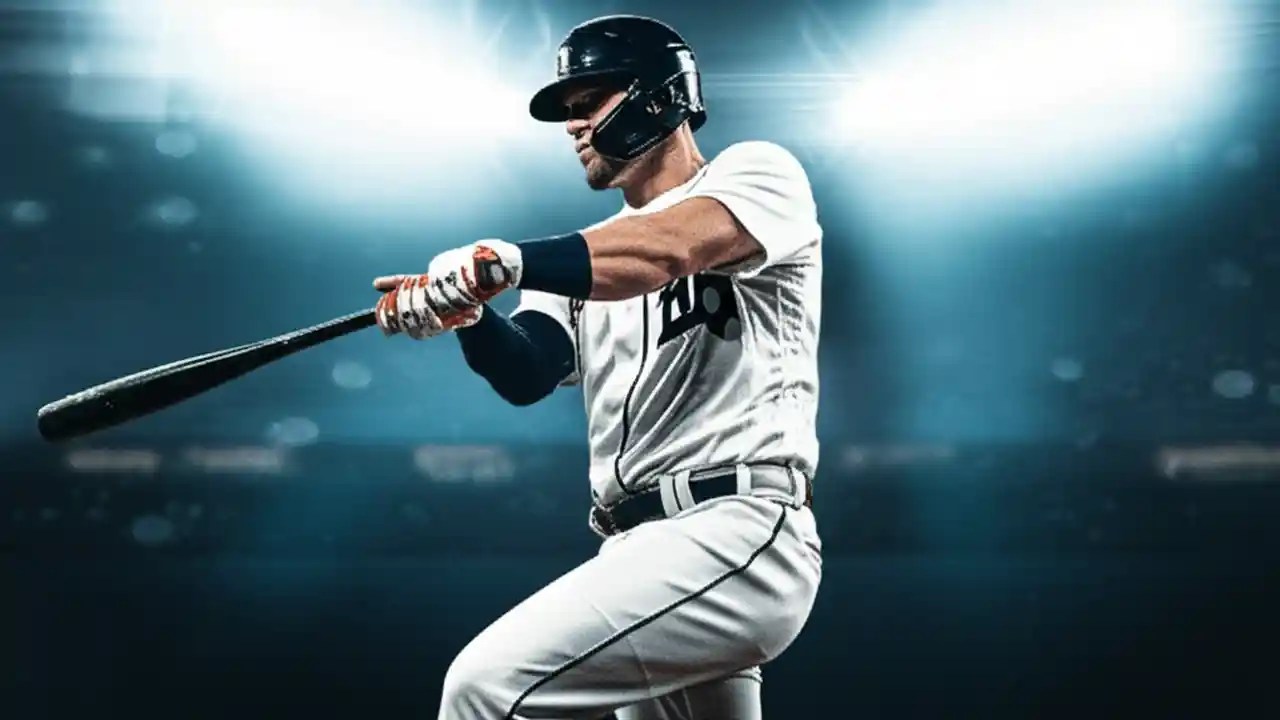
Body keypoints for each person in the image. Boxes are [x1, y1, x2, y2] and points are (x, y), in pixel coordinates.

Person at [372, 14, 824, 720]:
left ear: (658, 97)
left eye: (591, 102)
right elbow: (529, 372)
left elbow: (668, 249)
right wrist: (470, 314)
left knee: (484, 688)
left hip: (733, 527)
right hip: (637, 550)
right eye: (568, 113)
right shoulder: (579, 257)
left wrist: (500, 262)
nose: (574, 126)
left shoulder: (758, 174)